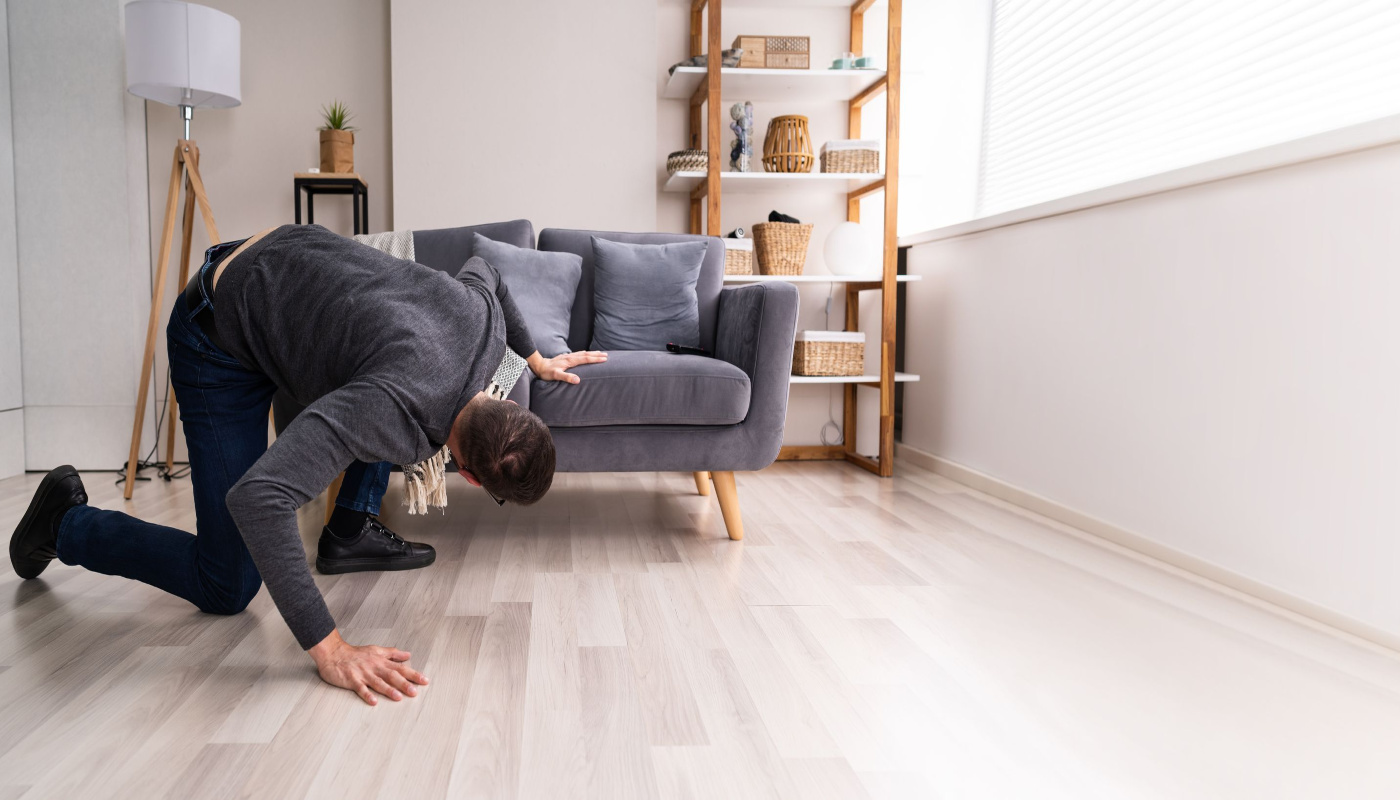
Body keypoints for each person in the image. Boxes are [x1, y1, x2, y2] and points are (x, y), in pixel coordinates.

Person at [8, 224, 605, 705]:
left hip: (276, 260)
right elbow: (259, 498)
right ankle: (63, 523)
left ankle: (346, 531)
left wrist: (534, 358)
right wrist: (330, 648)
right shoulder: (390, 406)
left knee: (384, 424)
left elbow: (489, 273)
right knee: (228, 584)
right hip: (216, 336)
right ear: (470, 476)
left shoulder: (484, 324)